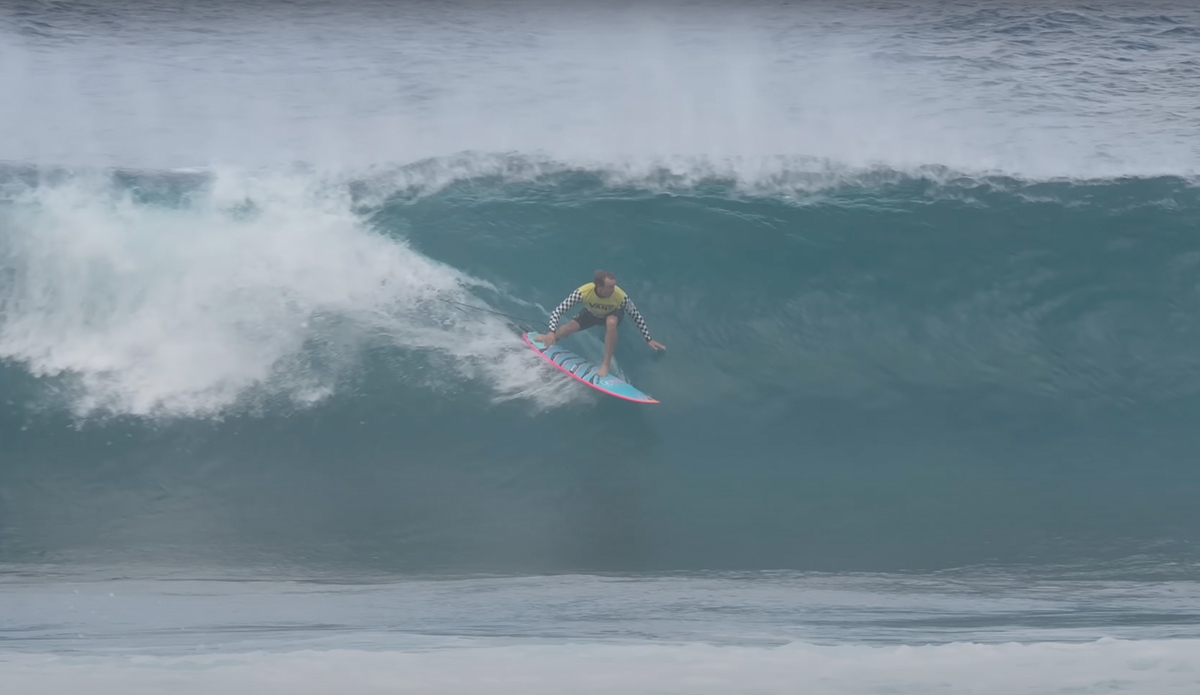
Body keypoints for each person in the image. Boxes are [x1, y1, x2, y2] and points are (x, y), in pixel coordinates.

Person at [535, 270, 666, 378]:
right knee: (566, 329)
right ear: (599, 287)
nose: (613, 289)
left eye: (614, 286)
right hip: (592, 314)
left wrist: (648, 339)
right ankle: (550, 339)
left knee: (611, 322)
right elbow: (558, 310)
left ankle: (605, 364)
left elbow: (636, 315)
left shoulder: (620, 296)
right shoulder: (583, 292)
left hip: (612, 314)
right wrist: (551, 332)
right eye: (610, 287)